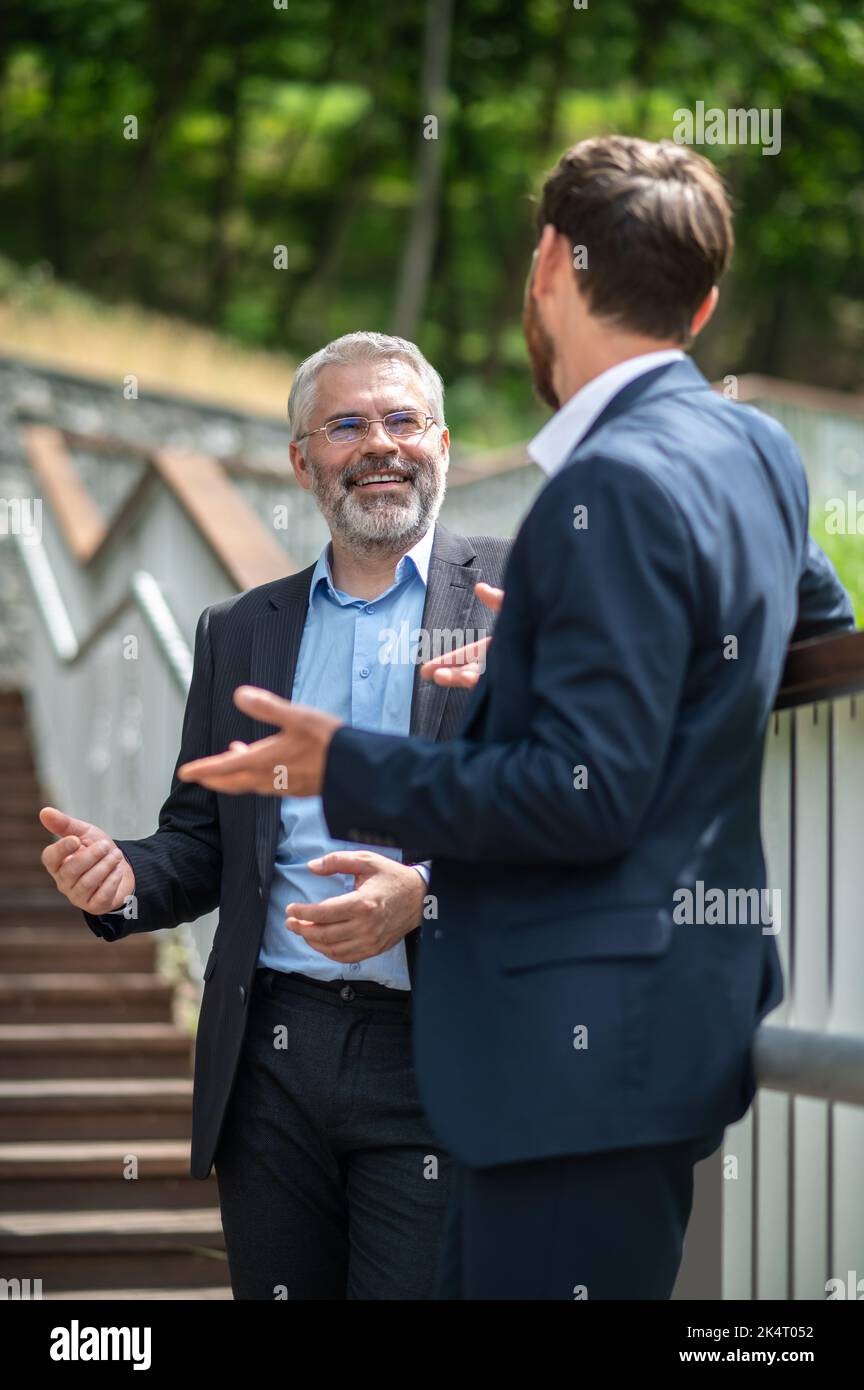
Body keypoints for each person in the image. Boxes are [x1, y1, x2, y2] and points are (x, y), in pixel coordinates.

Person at [175, 138, 856, 1300]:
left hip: (572, 1059)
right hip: (662, 1025)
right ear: (705, 297)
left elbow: (577, 792)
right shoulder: (756, 447)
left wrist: (343, 762)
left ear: (550, 262)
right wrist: (558, 643)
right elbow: (810, 633)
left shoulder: (610, 482)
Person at [39, 331, 510, 1300]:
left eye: (401, 419)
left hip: (447, 1049)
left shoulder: (524, 600)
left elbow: (579, 812)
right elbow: (204, 840)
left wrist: (425, 894)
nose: (378, 444)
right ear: (304, 460)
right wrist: (125, 878)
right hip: (272, 1055)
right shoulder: (241, 629)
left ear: (444, 443)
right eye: (345, 425)